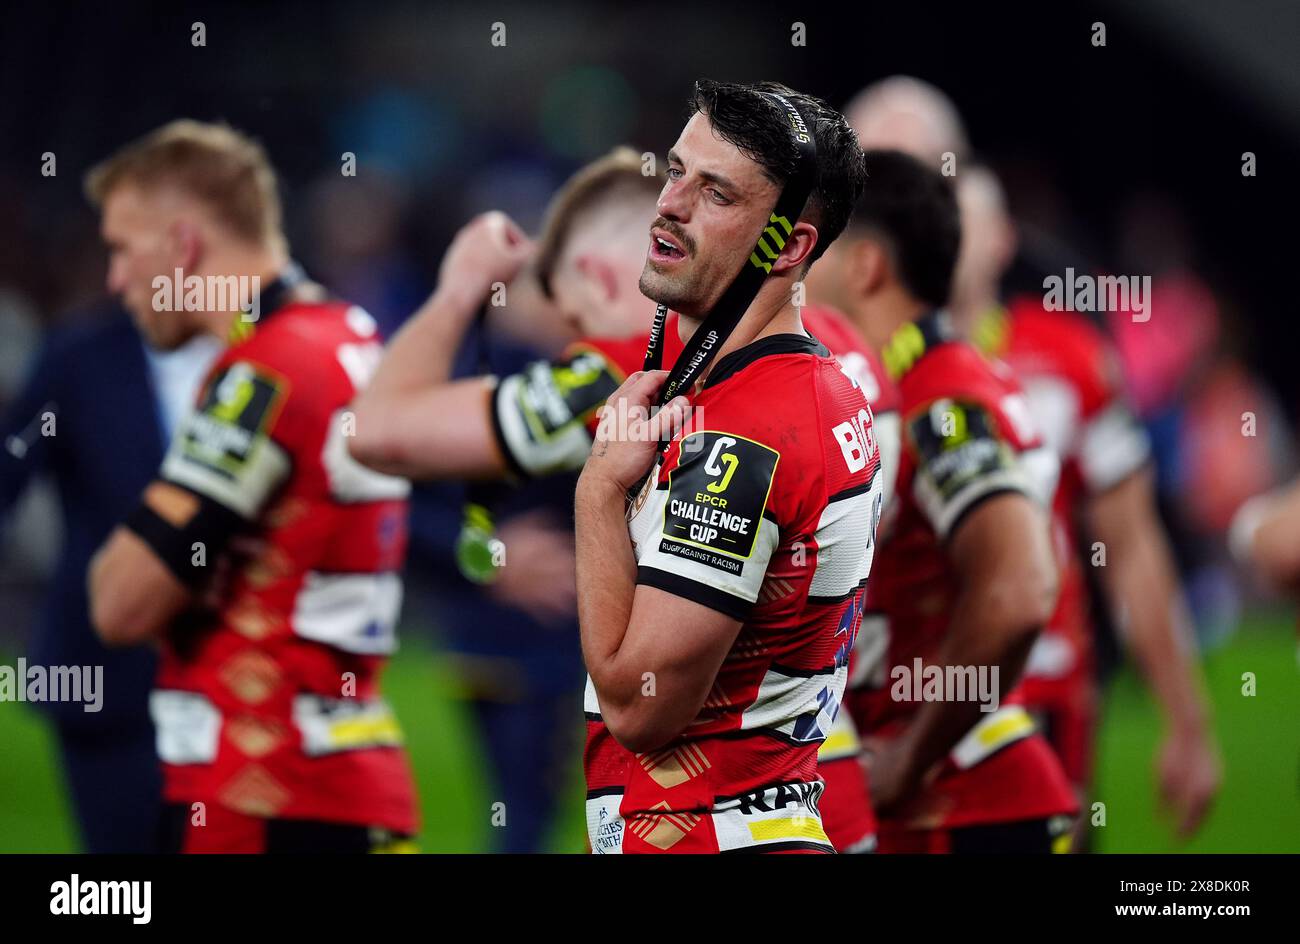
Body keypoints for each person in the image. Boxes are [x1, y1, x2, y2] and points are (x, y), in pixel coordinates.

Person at [351, 141, 895, 853]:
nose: (579, 346)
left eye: (574, 323)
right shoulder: (831, 348)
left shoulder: (628, 366)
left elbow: (376, 432)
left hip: (704, 807)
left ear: (602, 276)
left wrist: (460, 288)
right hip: (822, 772)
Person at [84, 119, 418, 853]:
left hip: (260, 791)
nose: (114, 280)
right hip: (348, 781)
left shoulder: (264, 371)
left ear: (181, 243)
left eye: (121, 248)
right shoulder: (348, 335)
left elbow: (120, 604)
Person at [570, 79, 882, 854]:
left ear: (792, 246)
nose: (669, 204)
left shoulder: (744, 436)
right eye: (675, 170)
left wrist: (599, 490)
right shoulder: (800, 388)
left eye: (715, 192)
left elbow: (643, 707)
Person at [808, 149, 1077, 853]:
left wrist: (912, 755)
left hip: (960, 806)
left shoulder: (940, 400)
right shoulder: (935, 377)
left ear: (865, 266)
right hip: (952, 800)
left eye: (816, 245)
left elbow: (1018, 592)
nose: (796, 272)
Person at [950, 166, 1220, 840]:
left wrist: (1187, 720)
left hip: (1043, 703)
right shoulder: (859, 362)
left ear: (1004, 239)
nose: (947, 237)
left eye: (966, 219)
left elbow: (1130, 545)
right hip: (900, 699)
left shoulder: (1068, 356)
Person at [0, 299, 219, 852]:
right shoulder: (79, 356)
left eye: (127, 246)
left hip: (234, 678)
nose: (116, 275)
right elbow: (9, 470)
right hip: (105, 677)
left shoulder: (265, 355)